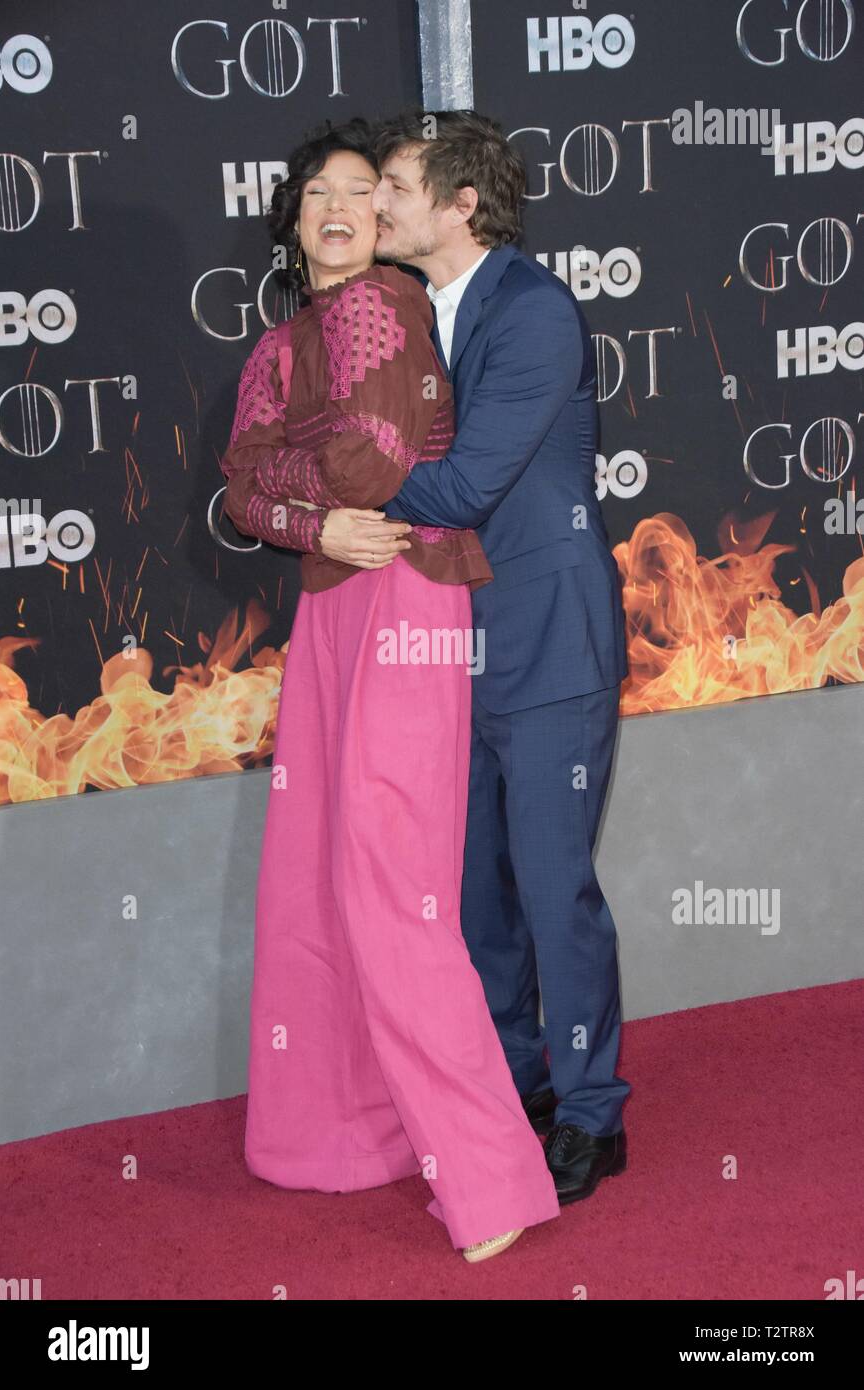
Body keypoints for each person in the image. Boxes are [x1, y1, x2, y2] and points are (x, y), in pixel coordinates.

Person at [218, 117, 560, 1262]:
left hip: (407, 591)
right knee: (311, 878)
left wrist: (292, 472)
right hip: (331, 597)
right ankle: (340, 1136)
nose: (337, 204)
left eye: (362, 192)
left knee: (390, 878)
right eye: (316, 188)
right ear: (294, 214)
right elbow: (238, 494)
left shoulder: (383, 305)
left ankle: (491, 1177)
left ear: (384, 225)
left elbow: (369, 455)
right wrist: (307, 510)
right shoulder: (278, 339)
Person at [338, 108, 631, 1205]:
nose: (378, 202)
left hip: (548, 640)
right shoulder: (411, 309)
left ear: (463, 204)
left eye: (399, 183)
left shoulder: (533, 313)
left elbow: (462, 490)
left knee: (553, 888)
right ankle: (521, 1085)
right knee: (476, 893)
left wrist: (325, 492)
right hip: (446, 647)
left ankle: (595, 1115)